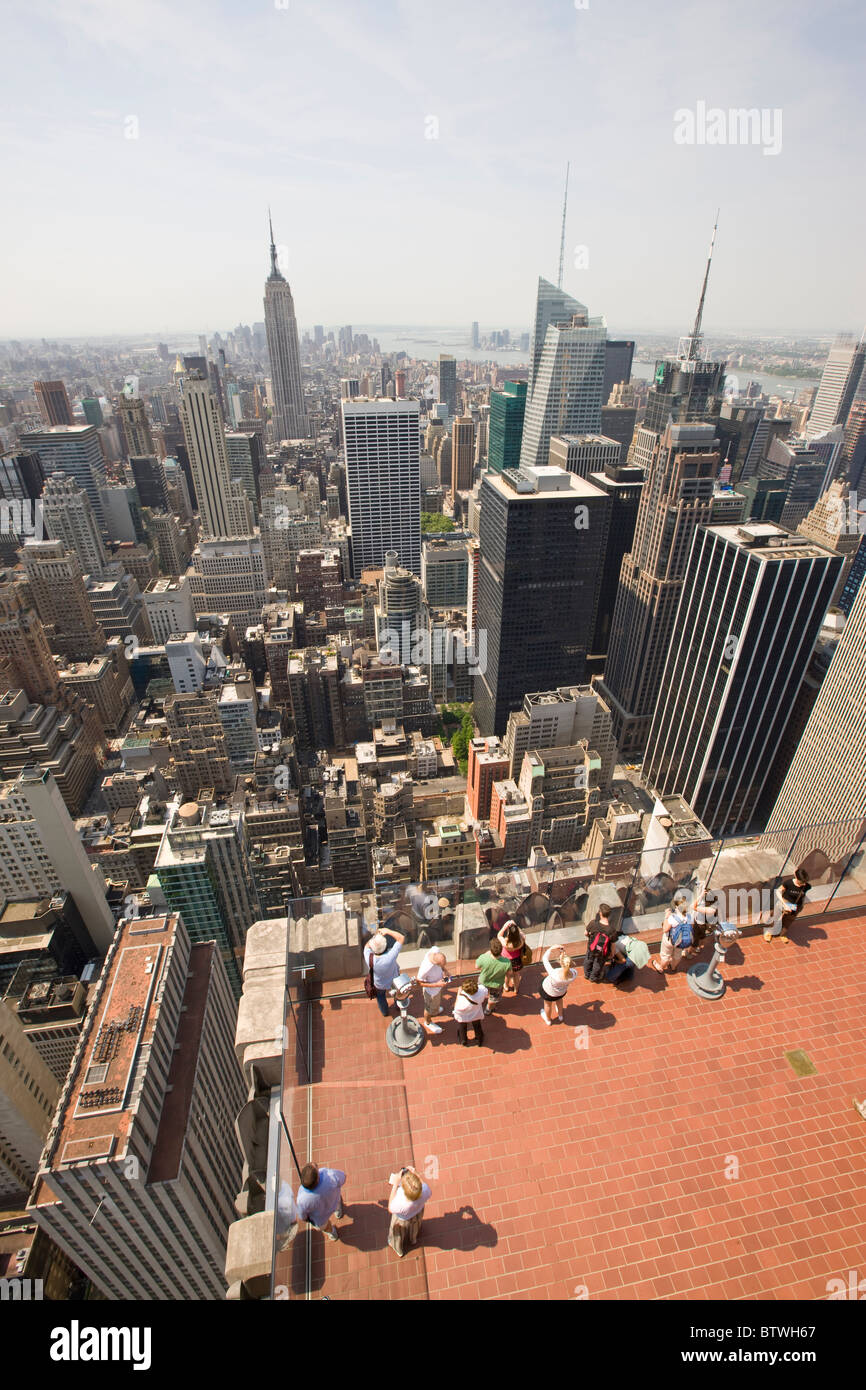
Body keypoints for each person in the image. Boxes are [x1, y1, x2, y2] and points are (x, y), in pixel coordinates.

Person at [387, 1165, 432, 1257]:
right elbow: (424, 1185)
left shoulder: (401, 1202)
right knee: (415, 1226)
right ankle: (413, 1239)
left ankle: (398, 1248)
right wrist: (416, 1174)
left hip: (402, 1220)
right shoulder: (425, 1191)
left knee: (397, 1234)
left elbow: (390, 1208)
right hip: (417, 1213)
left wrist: (395, 1184)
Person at [295, 1162, 347, 1242]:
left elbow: (302, 1216)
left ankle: (333, 1234)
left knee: (326, 1227)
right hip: (334, 1202)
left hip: (320, 1218)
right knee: (337, 1206)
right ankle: (338, 1212)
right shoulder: (329, 1175)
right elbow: (343, 1177)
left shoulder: (302, 1199)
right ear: (317, 1178)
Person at [363, 925, 406, 1017]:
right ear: (385, 945)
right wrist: (387, 931)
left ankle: (385, 1012)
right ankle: (398, 1006)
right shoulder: (390, 956)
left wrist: (375, 937)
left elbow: (367, 945)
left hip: (379, 984)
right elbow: (401, 938)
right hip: (394, 981)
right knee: (397, 994)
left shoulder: (369, 957)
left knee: (381, 997)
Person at [766, 867, 810, 943]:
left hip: (795, 906)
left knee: (788, 921)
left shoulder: (807, 886)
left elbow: (803, 896)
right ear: (796, 877)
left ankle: (782, 934)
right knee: (776, 917)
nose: (803, 884)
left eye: (804, 881)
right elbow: (778, 892)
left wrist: (799, 906)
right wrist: (785, 904)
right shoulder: (788, 883)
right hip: (784, 903)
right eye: (801, 882)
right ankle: (769, 932)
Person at [652, 894, 693, 974]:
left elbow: (665, 929)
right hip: (681, 941)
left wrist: (667, 916)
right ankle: (673, 967)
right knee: (677, 955)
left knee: (665, 956)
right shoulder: (689, 916)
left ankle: (660, 967)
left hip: (670, 941)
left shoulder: (673, 918)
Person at [539, 945, 577, 1025]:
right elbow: (566, 968)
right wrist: (563, 954)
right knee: (559, 1001)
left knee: (548, 1005)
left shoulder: (554, 973)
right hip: (561, 992)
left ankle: (548, 1020)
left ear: (561, 963)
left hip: (548, 991)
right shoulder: (574, 973)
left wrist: (550, 949)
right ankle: (560, 1016)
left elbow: (545, 959)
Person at [416, 948, 451, 1034]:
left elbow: (442, 966)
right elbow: (419, 983)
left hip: (437, 988)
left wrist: (445, 971)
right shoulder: (425, 969)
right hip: (431, 992)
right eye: (441, 965)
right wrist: (436, 984)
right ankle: (427, 1022)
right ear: (436, 963)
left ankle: (435, 1010)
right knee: (428, 1009)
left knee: (436, 1001)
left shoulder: (435, 950)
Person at [475, 937, 511, 1013]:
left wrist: (485, 954)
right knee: (493, 998)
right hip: (497, 985)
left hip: (483, 981)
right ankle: (488, 1009)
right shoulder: (507, 962)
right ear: (501, 950)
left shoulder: (483, 958)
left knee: (479, 993)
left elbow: (477, 967)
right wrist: (506, 984)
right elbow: (508, 975)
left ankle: (477, 1004)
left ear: (490, 950)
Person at [452, 974, 488, 1046]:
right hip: (476, 1013)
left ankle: (463, 1040)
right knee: (477, 1026)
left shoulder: (462, 997)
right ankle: (479, 1040)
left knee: (462, 1026)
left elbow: (456, 1008)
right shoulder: (482, 990)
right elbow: (485, 993)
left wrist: (458, 993)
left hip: (463, 1016)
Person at [583, 904, 615, 983]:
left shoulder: (593, 923)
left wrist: (590, 937)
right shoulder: (611, 930)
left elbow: (585, 933)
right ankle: (593, 978)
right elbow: (613, 944)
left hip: (591, 947)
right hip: (602, 952)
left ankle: (587, 974)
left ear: (600, 913)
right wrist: (612, 954)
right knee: (598, 964)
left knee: (588, 960)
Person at [497, 919, 526, 995]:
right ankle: (516, 989)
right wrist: (515, 926)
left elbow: (499, 935)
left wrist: (505, 926)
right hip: (516, 960)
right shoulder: (521, 940)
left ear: (509, 933)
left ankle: (506, 987)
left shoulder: (506, 943)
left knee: (507, 975)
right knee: (516, 974)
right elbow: (522, 933)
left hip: (506, 960)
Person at [690, 887, 719, 955]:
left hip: (702, 925)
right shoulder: (713, 902)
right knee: (701, 937)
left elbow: (692, 906)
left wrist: (700, 896)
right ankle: (698, 947)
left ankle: (692, 950)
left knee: (696, 938)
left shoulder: (710, 909)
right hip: (700, 923)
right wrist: (702, 895)